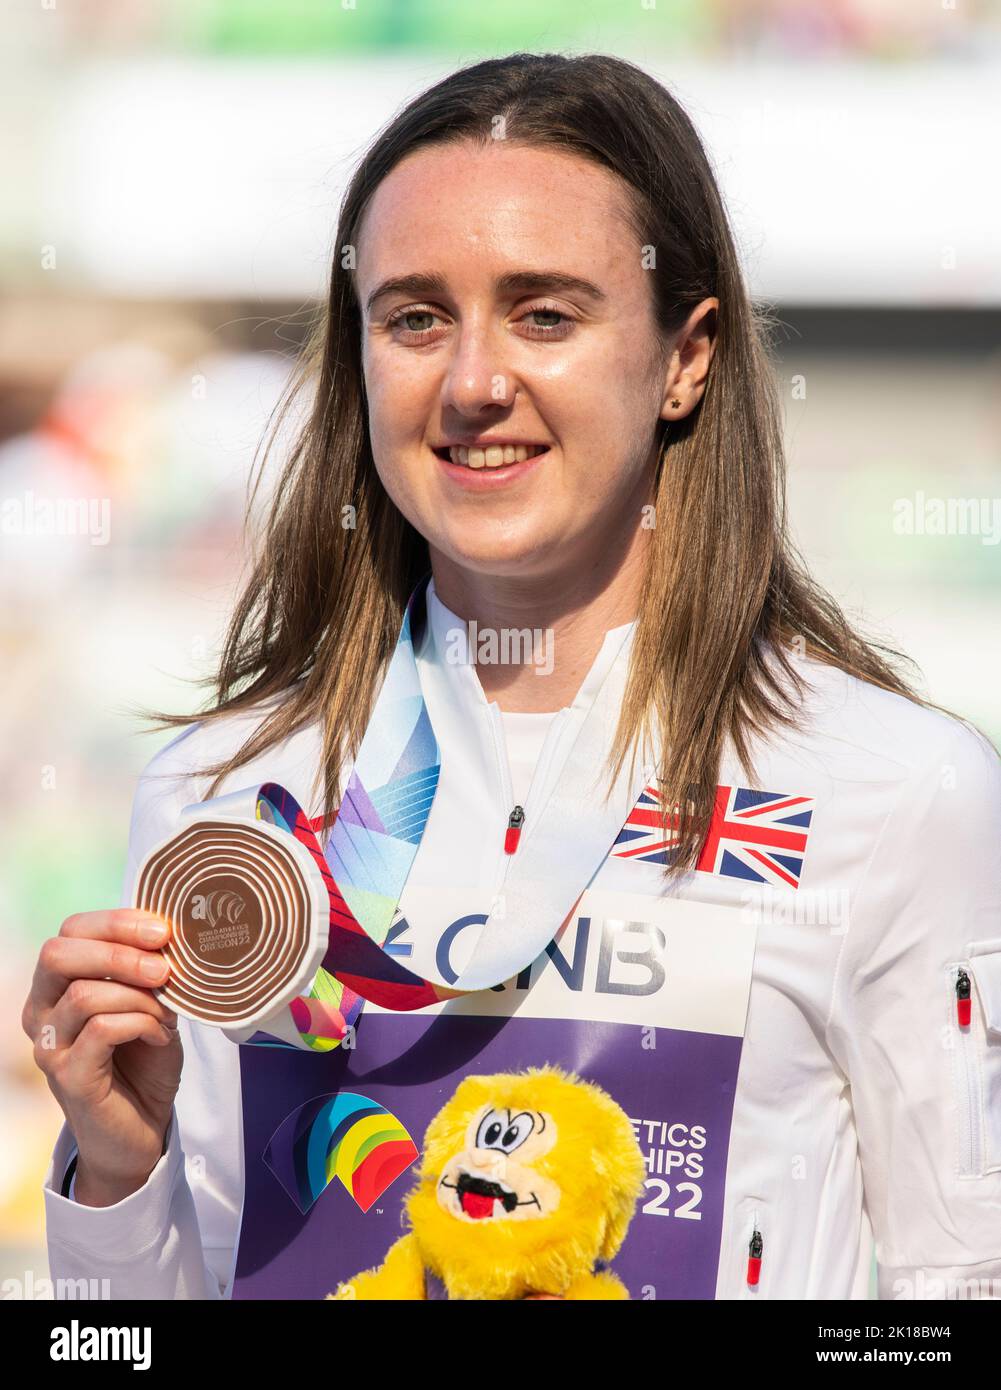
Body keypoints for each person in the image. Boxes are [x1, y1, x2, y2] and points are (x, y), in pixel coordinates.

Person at [25, 52, 1001, 1301]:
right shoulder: (224, 802)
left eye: (544, 313)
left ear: (685, 355)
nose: (474, 383)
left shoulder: (897, 789)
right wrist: (115, 1174)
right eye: (414, 316)